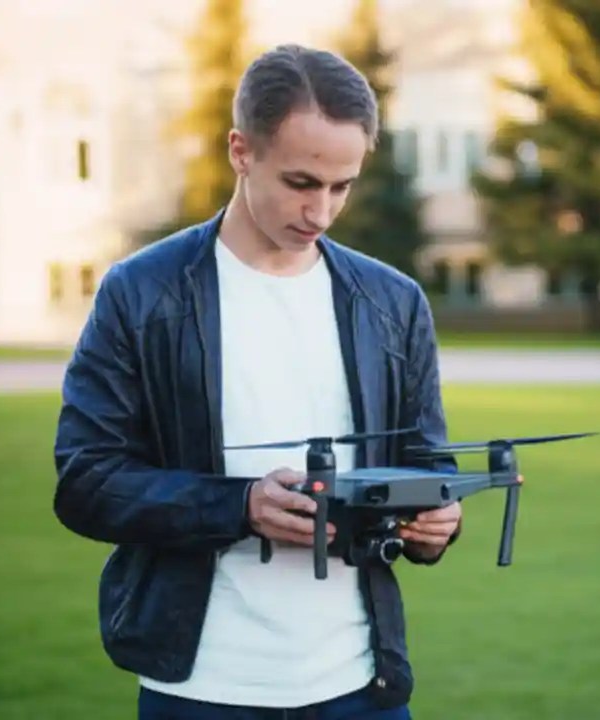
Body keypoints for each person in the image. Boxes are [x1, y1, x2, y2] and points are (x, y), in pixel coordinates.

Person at [53, 44, 462, 720]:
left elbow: (426, 463)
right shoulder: (142, 293)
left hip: (362, 687)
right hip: (204, 690)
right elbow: (87, 482)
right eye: (301, 183)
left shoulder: (393, 301)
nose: (322, 211)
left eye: (342, 186)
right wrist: (240, 507)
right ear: (241, 151)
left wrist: (437, 519)